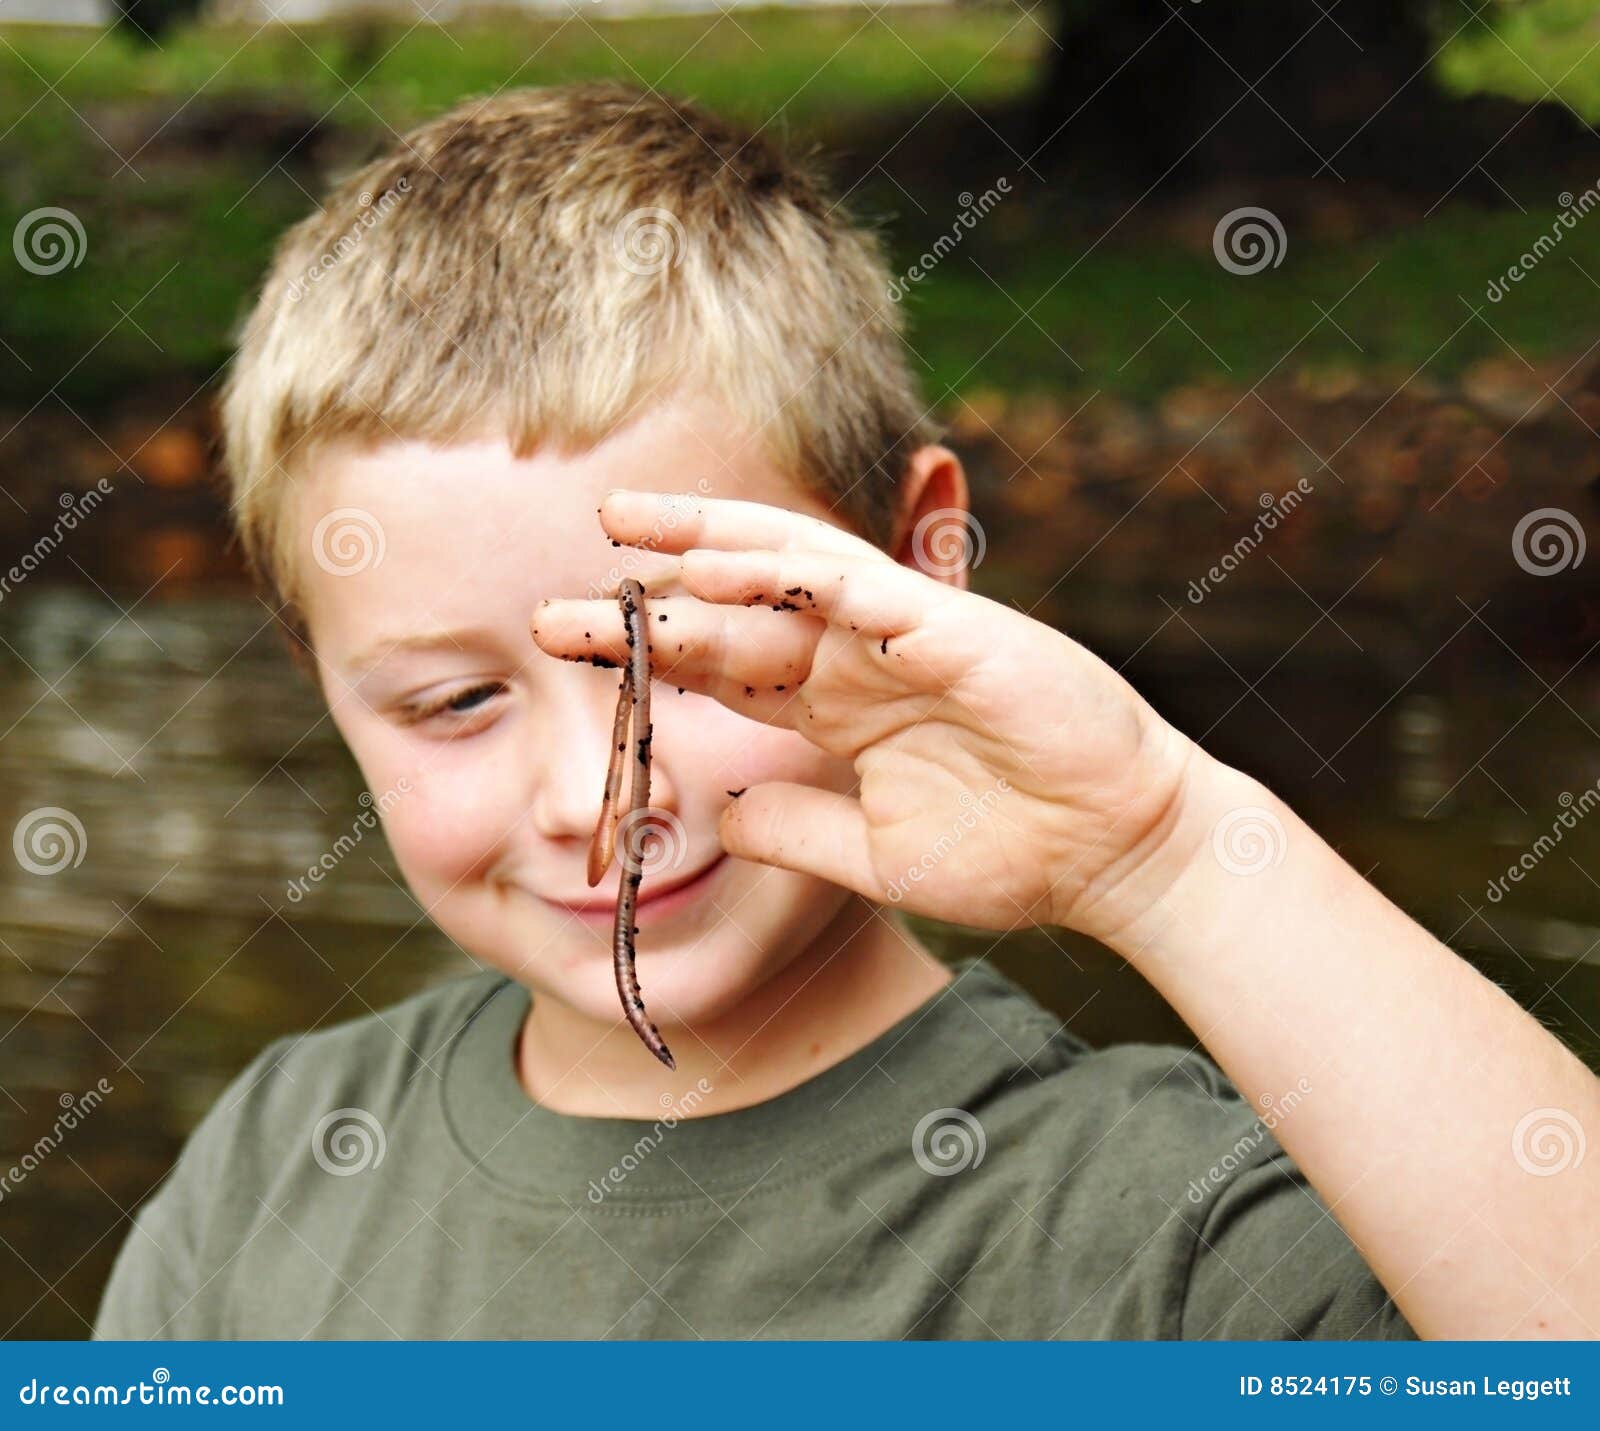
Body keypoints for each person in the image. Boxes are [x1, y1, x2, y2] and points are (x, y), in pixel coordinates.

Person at [95, 80, 1598, 1341]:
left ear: (919, 558)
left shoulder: (1154, 1238)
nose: (593, 795)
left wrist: (1170, 854)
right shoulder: (279, 1164)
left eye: (675, 655)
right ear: (327, 686)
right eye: (450, 700)